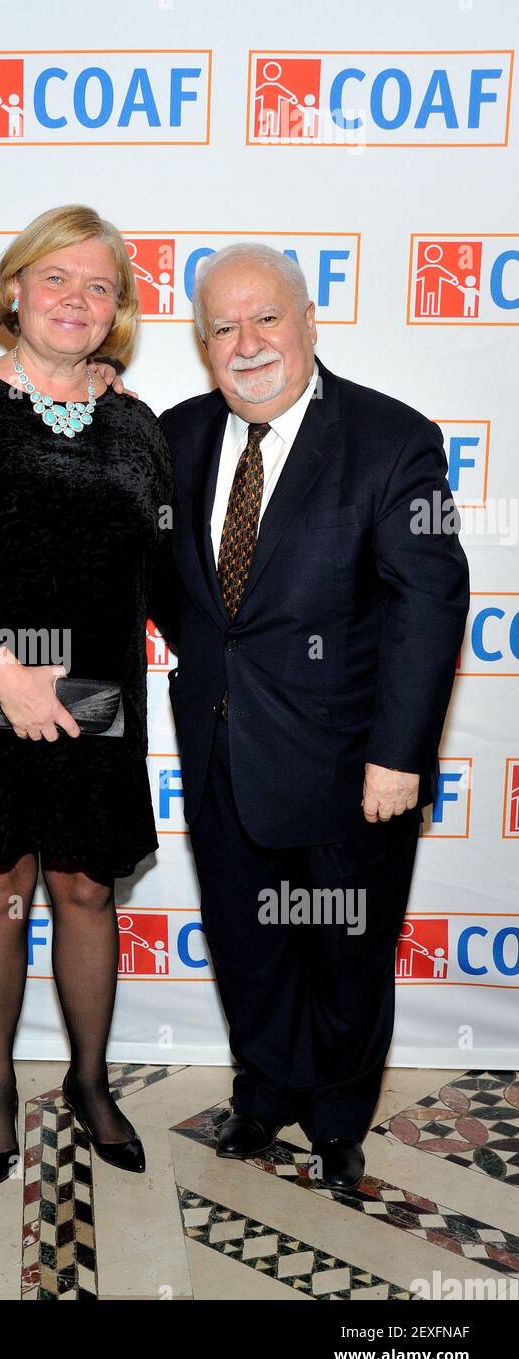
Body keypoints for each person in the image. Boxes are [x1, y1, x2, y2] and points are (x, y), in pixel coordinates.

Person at [158, 243, 469, 1189]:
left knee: (345, 951)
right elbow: (174, 592)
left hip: (350, 766)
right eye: (222, 327)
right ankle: (263, 1095)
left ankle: (336, 1118)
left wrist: (398, 756)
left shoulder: (389, 438)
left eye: (265, 318)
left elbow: (428, 603)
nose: (246, 343)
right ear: (202, 343)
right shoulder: (176, 436)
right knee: (246, 943)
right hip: (219, 747)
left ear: (307, 320)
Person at [0, 205, 172, 1184]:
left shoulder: (135, 422)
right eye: (56, 277)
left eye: (99, 286)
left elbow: (162, 563)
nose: (75, 298)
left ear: (116, 311)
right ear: (15, 289)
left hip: (97, 690)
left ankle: (90, 1082)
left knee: (87, 887)